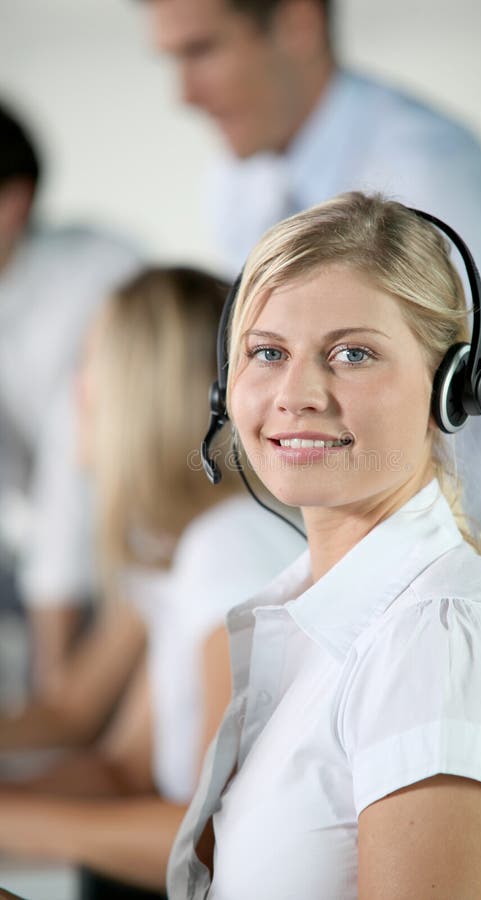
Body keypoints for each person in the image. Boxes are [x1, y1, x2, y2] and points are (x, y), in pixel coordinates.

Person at [141, 0, 481, 760]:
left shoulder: (431, 173)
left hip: (434, 603)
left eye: (203, 51)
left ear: (297, 24)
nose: (183, 94)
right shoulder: (238, 181)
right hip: (343, 589)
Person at [167, 192, 481, 899]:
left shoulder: (437, 642)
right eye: (267, 352)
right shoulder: (315, 614)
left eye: (352, 354)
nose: (297, 394)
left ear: (451, 388)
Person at [0, 267, 304, 894]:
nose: (76, 391)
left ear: (141, 394)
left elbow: (212, 839)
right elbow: (127, 769)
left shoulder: (231, 548)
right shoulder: (189, 548)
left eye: (90, 365)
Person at [0, 100, 141, 694]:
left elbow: (70, 480)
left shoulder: (91, 279)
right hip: (49, 556)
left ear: (14, 203)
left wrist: (52, 689)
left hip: (136, 545)